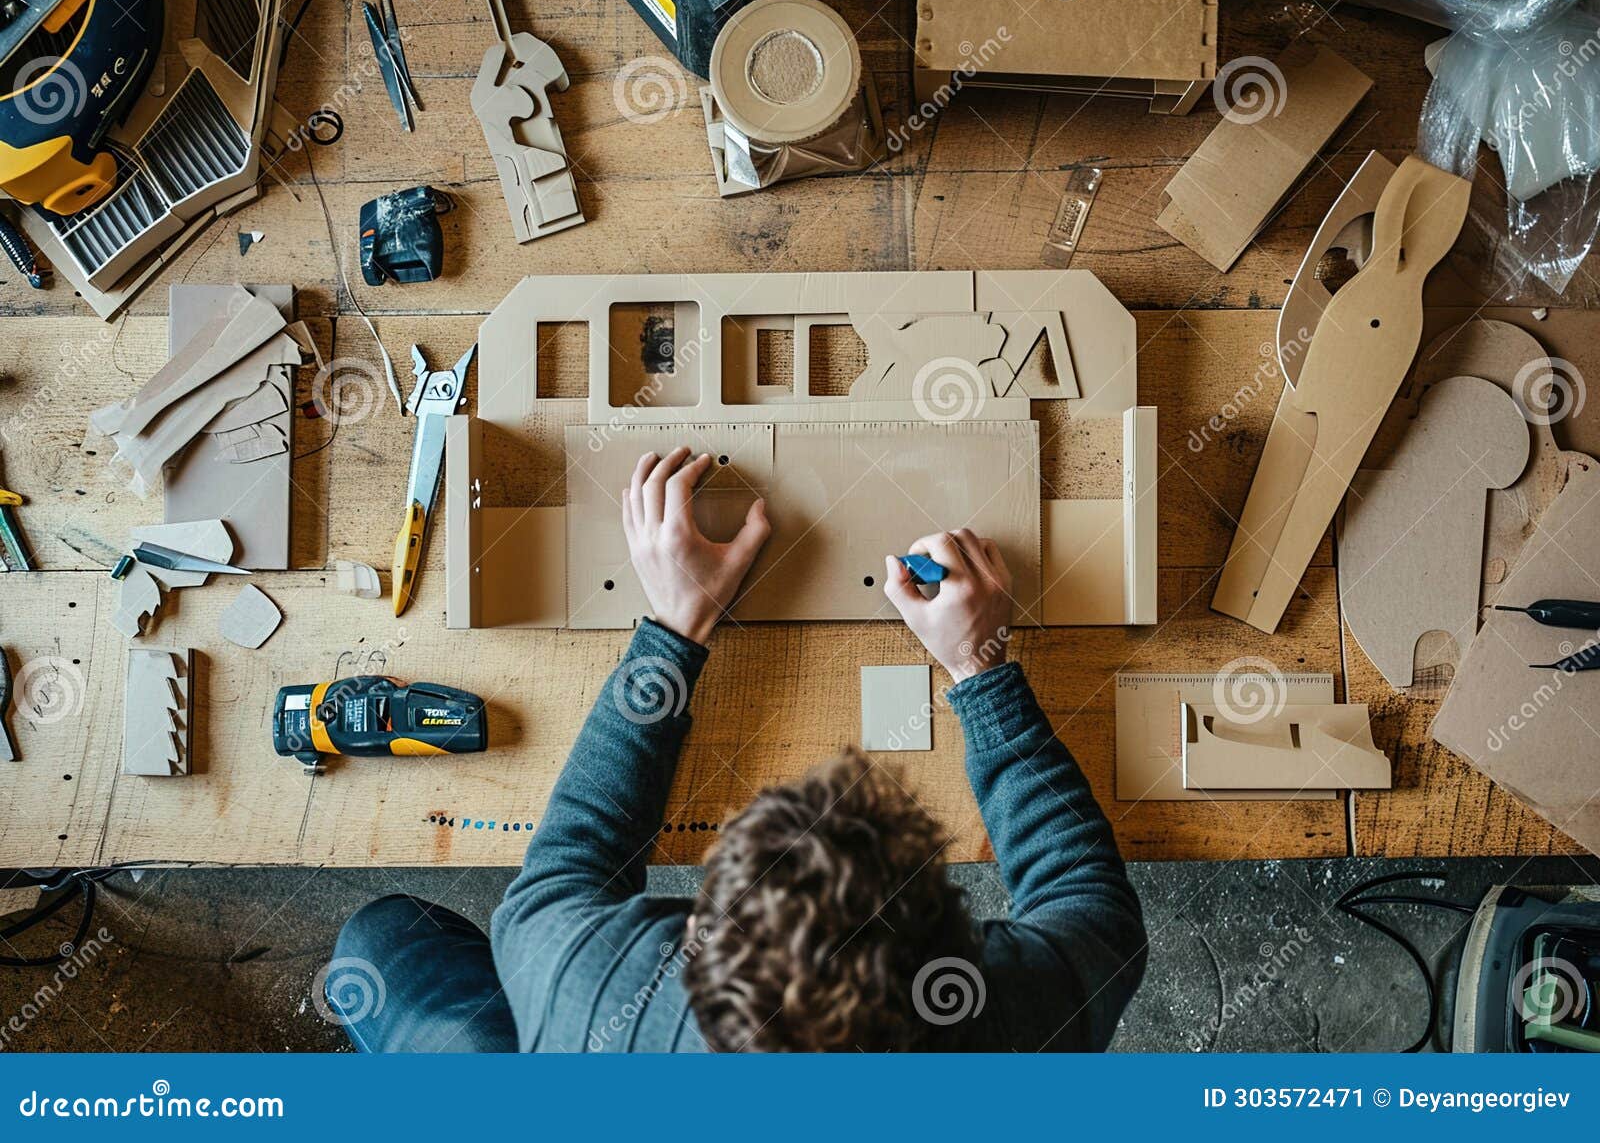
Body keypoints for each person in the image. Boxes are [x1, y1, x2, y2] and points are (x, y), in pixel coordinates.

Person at [327, 447, 1146, 1051]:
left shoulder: (594, 987)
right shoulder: (997, 1033)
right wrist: (979, 666)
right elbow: (1089, 902)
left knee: (380, 941)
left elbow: (574, 854)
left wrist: (675, 625)